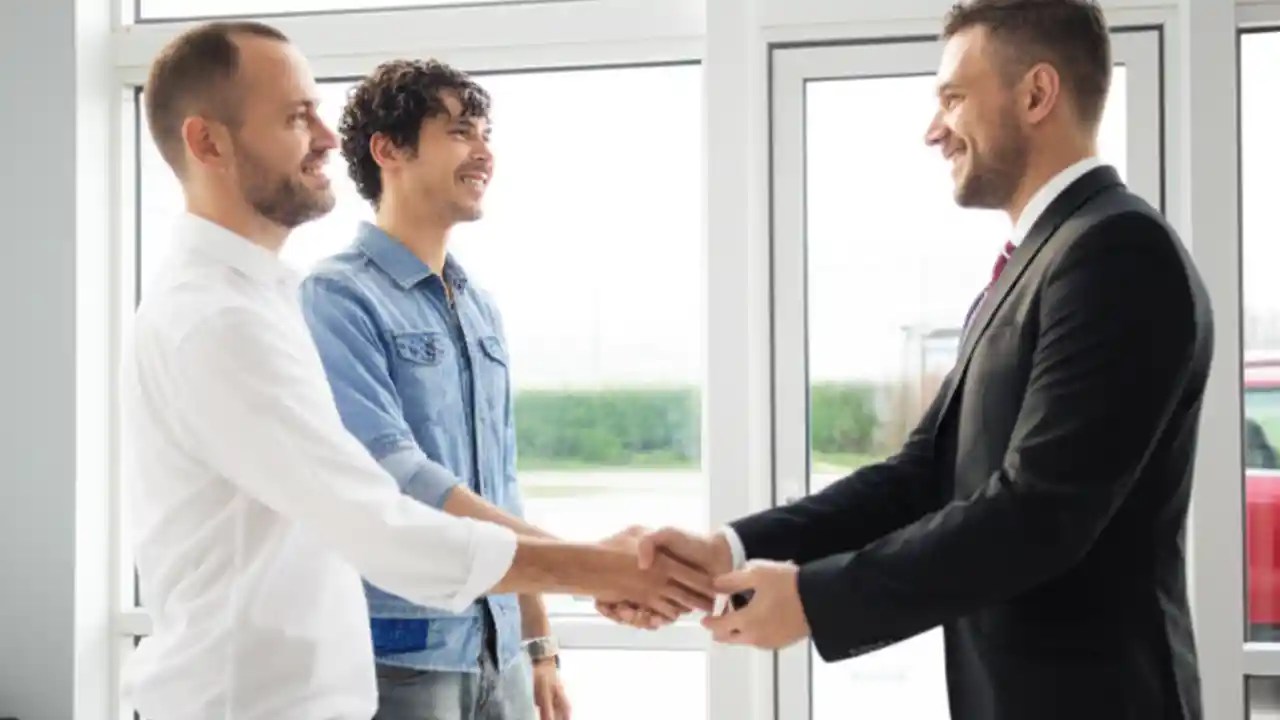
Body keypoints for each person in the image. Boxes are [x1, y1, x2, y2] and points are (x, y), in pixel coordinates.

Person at [630, 1, 1213, 718]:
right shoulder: (1040, 262)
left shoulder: (1117, 253)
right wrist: (730, 546)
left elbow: (1037, 514)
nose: (934, 130)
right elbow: (921, 478)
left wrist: (815, 599)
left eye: (953, 98)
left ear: (1036, 94)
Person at [120, 21, 711, 720]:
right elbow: (384, 518)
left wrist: (540, 634)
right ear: (207, 142)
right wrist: (604, 566)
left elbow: (479, 484)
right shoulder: (225, 319)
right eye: (294, 116)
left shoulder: (266, 297)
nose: (325, 137)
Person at [297, 59, 596, 720]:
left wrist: (540, 642)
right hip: (403, 656)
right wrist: (582, 563)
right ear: (390, 150)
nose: (485, 151)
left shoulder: (480, 306)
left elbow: (501, 483)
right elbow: (394, 471)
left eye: (486, 133)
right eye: (461, 132)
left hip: (501, 651)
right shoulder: (335, 297)